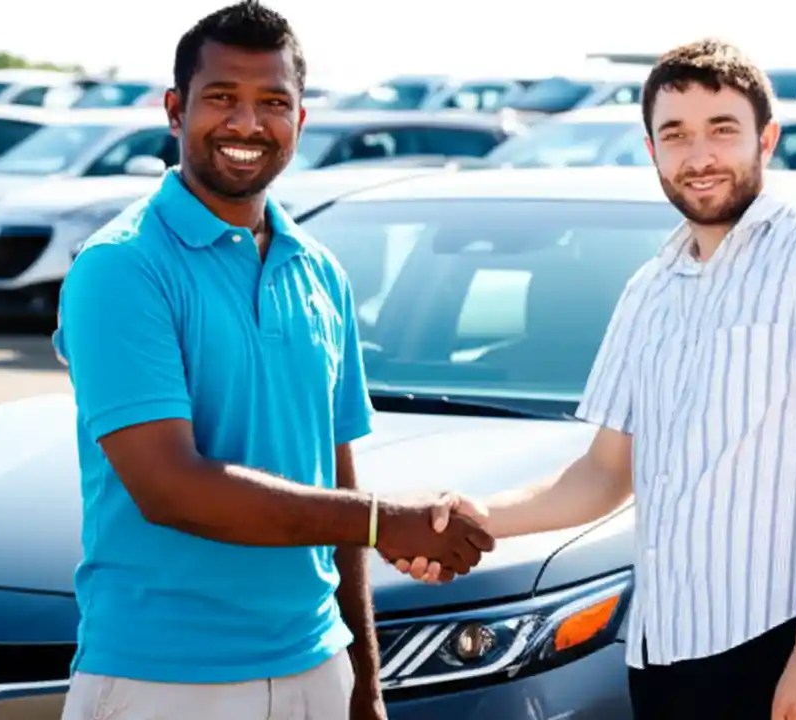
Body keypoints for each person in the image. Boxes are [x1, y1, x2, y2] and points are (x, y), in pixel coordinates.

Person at [392, 38, 796, 720]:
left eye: (722, 130)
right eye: (675, 134)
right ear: (652, 148)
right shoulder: (649, 290)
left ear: (765, 140)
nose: (700, 156)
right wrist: (481, 517)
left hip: (772, 645)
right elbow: (603, 474)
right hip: (658, 654)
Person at [52, 3, 494, 719]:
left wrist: (365, 682)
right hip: (164, 680)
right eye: (222, 98)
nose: (247, 125)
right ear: (175, 110)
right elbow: (171, 487)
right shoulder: (121, 268)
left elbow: (337, 478)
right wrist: (386, 522)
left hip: (315, 669)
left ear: (301, 121)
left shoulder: (320, 272)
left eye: (273, 103)